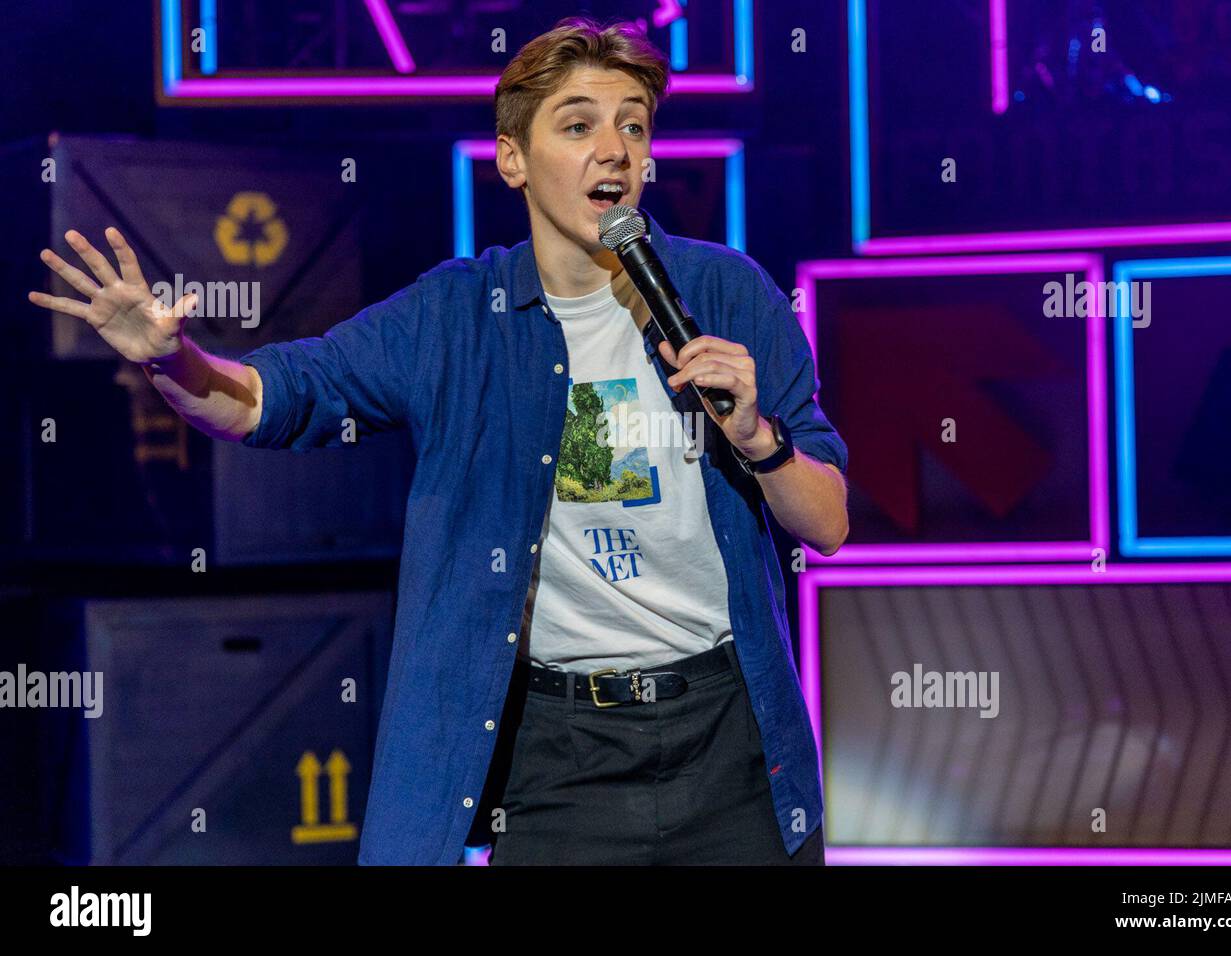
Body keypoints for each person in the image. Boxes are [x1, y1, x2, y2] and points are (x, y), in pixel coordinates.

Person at [28, 15, 849, 865]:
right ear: (513, 159)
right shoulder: (458, 315)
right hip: (560, 752)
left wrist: (757, 436)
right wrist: (177, 358)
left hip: (730, 739)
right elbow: (273, 399)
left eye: (633, 126)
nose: (614, 149)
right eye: (578, 125)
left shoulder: (726, 292)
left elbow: (826, 524)